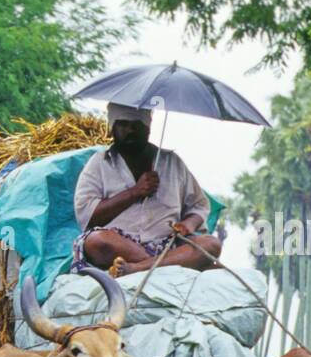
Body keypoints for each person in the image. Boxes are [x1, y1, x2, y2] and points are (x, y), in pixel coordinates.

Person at [73, 102, 222, 275]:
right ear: (112, 128)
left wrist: (188, 224)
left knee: (211, 244)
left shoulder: (172, 162)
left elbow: (199, 206)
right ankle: (166, 266)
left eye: (137, 125)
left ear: (148, 127)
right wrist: (135, 192)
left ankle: (137, 268)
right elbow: (87, 216)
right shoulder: (98, 163)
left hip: (167, 246)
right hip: (118, 249)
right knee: (96, 241)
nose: (130, 131)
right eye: (123, 124)